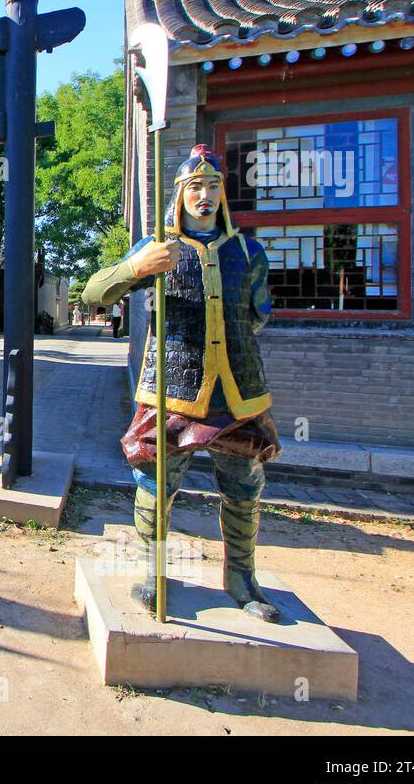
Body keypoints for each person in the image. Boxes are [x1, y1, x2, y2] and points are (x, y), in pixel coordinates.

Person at [82, 145, 282, 621]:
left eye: (213, 186)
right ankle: (152, 572)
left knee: (244, 487)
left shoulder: (248, 252)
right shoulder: (158, 248)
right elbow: (93, 293)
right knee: (155, 486)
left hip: (237, 390)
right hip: (171, 388)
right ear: (180, 195)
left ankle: (242, 578)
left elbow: (257, 315)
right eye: (195, 186)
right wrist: (137, 268)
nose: (205, 194)